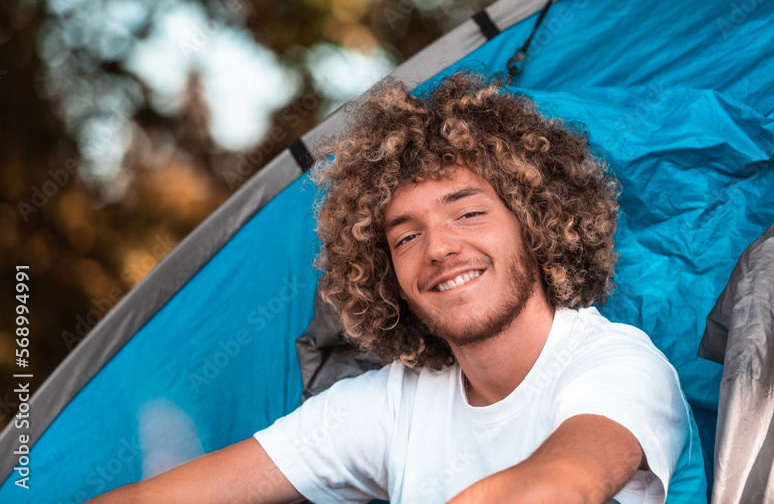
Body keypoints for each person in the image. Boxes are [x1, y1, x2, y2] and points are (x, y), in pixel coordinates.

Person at [91, 72, 706, 504]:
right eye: (405, 236)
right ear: (388, 278)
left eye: (467, 213)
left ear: (537, 225)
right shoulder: (396, 403)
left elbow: (557, 487)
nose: (438, 248)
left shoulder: (616, 365)